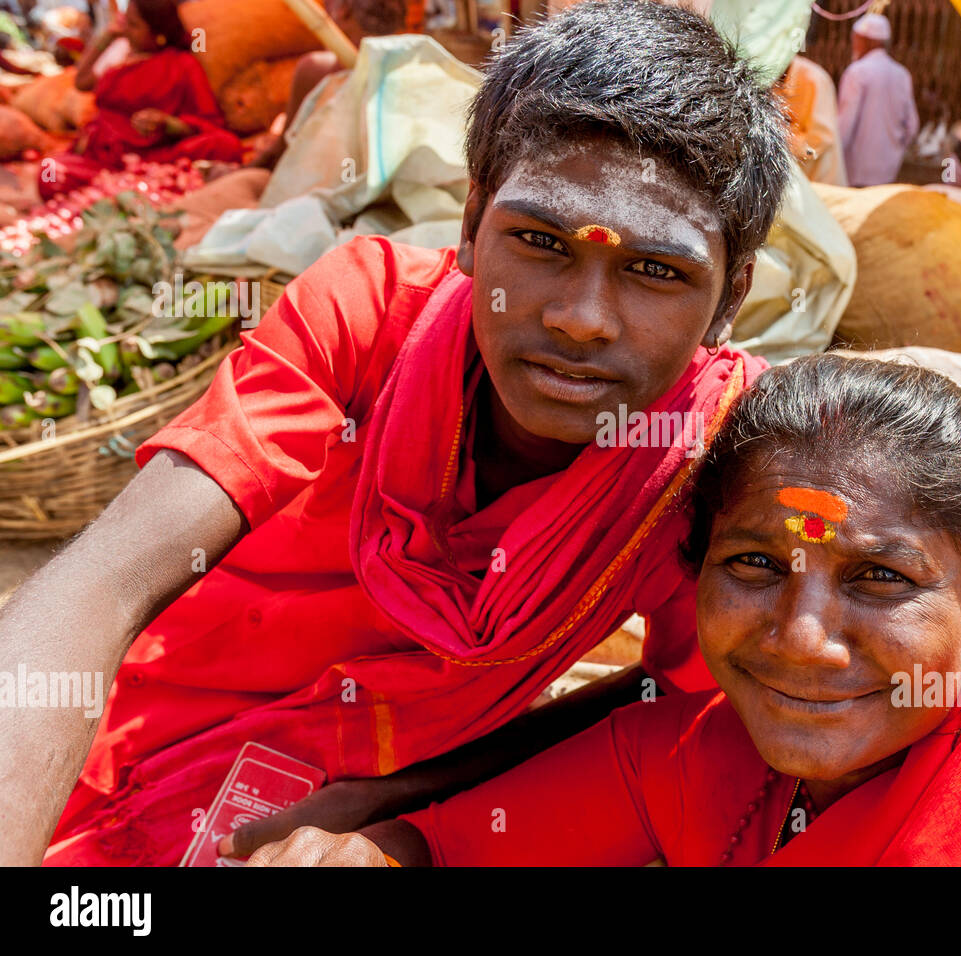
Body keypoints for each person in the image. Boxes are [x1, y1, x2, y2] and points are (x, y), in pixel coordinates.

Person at [0, 0, 789, 867]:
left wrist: (396, 810)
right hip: (133, 721)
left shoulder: (709, 459)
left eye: (654, 270)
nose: (580, 319)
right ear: (468, 225)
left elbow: (680, 699)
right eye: (538, 241)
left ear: (731, 298)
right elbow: (102, 584)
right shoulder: (370, 317)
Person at [247, 355, 961, 866]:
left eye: (882, 578)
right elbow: (443, 844)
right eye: (755, 562)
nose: (800, 636)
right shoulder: (697, 757)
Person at [37, 0, 244, 199]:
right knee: (49, 171)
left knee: (226, 145)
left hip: (160, 156)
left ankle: (128, 188)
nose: (125, 29)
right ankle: (136, 188)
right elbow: (82, 82)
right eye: (125, 21)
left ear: (157, 33)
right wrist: (107, 37)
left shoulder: (182, 64)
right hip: (104, 161)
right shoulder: (121, 53)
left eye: (134, 25)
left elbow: (211, 123)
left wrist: (169, 124)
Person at [247, 0, 409, 171]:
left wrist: (238, 170)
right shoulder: (417, 65)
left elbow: (282, 153)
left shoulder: (316, 69)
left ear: (343, 10)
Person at [836, 13, 918, 188]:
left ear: (867, 41)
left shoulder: (857, 72)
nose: (854, 45)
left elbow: (845, 125)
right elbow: (912, 126)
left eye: (856, 40)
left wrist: (833, 159)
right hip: (888, 171)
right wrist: (895, 150)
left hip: (856, 172)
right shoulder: (902, 74)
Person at [774, 53, 846, 187]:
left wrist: (778, 141)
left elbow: (819, 139)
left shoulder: (814, 79)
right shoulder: (769, 79)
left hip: (820, 182)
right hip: (793, 184)